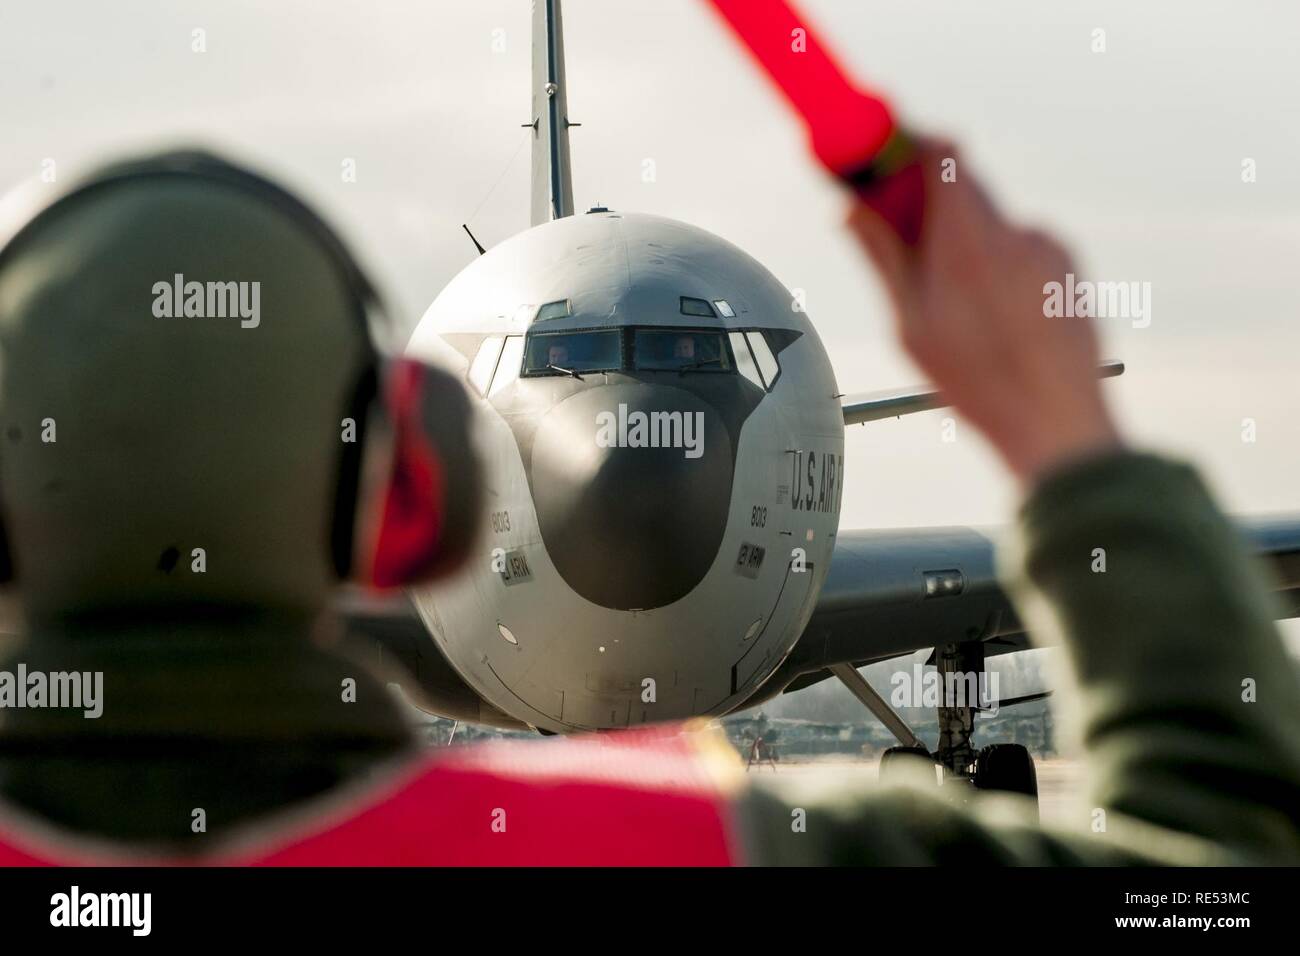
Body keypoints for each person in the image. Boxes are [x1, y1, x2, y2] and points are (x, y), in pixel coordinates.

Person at [0, 143, 1295, 865]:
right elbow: (1208, 867)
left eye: (688, 360)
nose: (620, 451)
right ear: (418, 489)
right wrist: (1075, 452)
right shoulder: (763, 854)